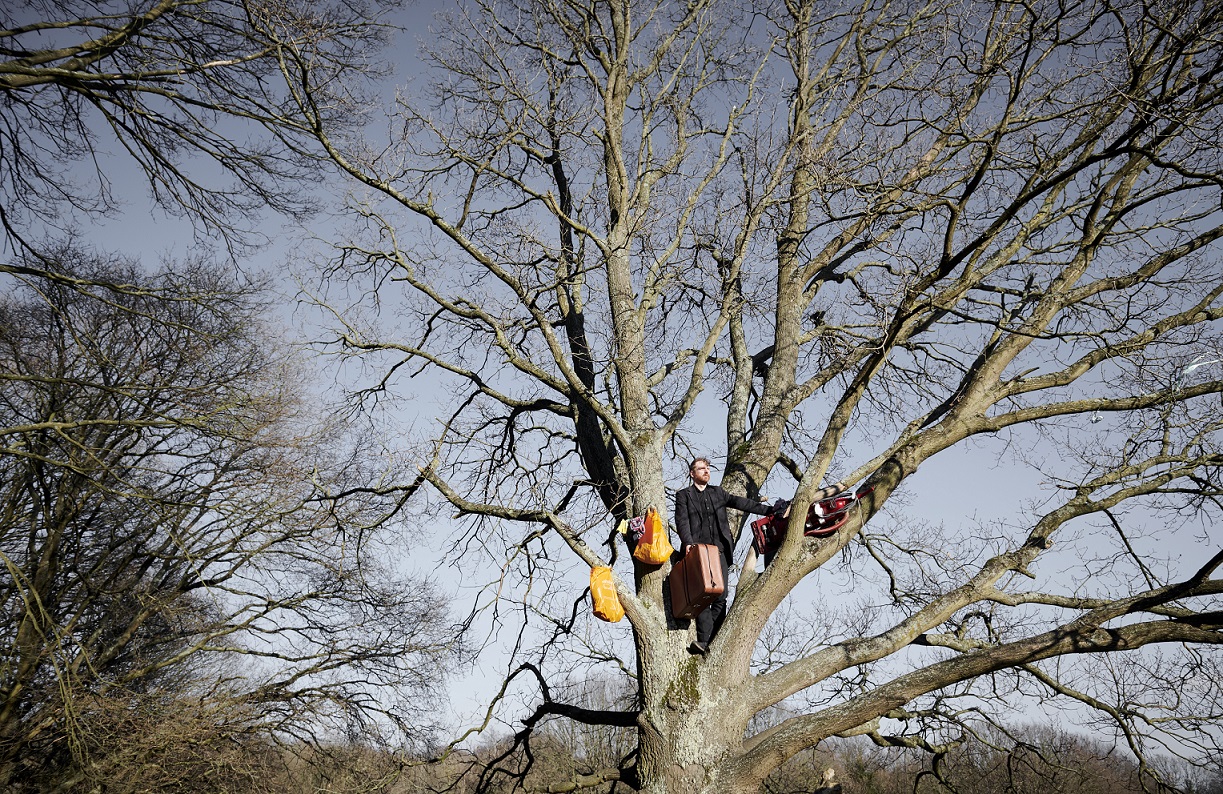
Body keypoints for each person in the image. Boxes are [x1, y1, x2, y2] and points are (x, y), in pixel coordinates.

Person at [673, 457, 774, 655]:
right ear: (692, 473)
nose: (706, 471)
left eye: (708, 468)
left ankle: (713, 641)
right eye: (701, 468)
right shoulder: (684, 495)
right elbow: (681, 520)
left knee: (721, 595)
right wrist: (687, 542)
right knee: (703, 594)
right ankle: (704, 640)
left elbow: (742, 503)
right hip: (699, 551)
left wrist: (770, 511)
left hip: (719, 551)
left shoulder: (717, 493)